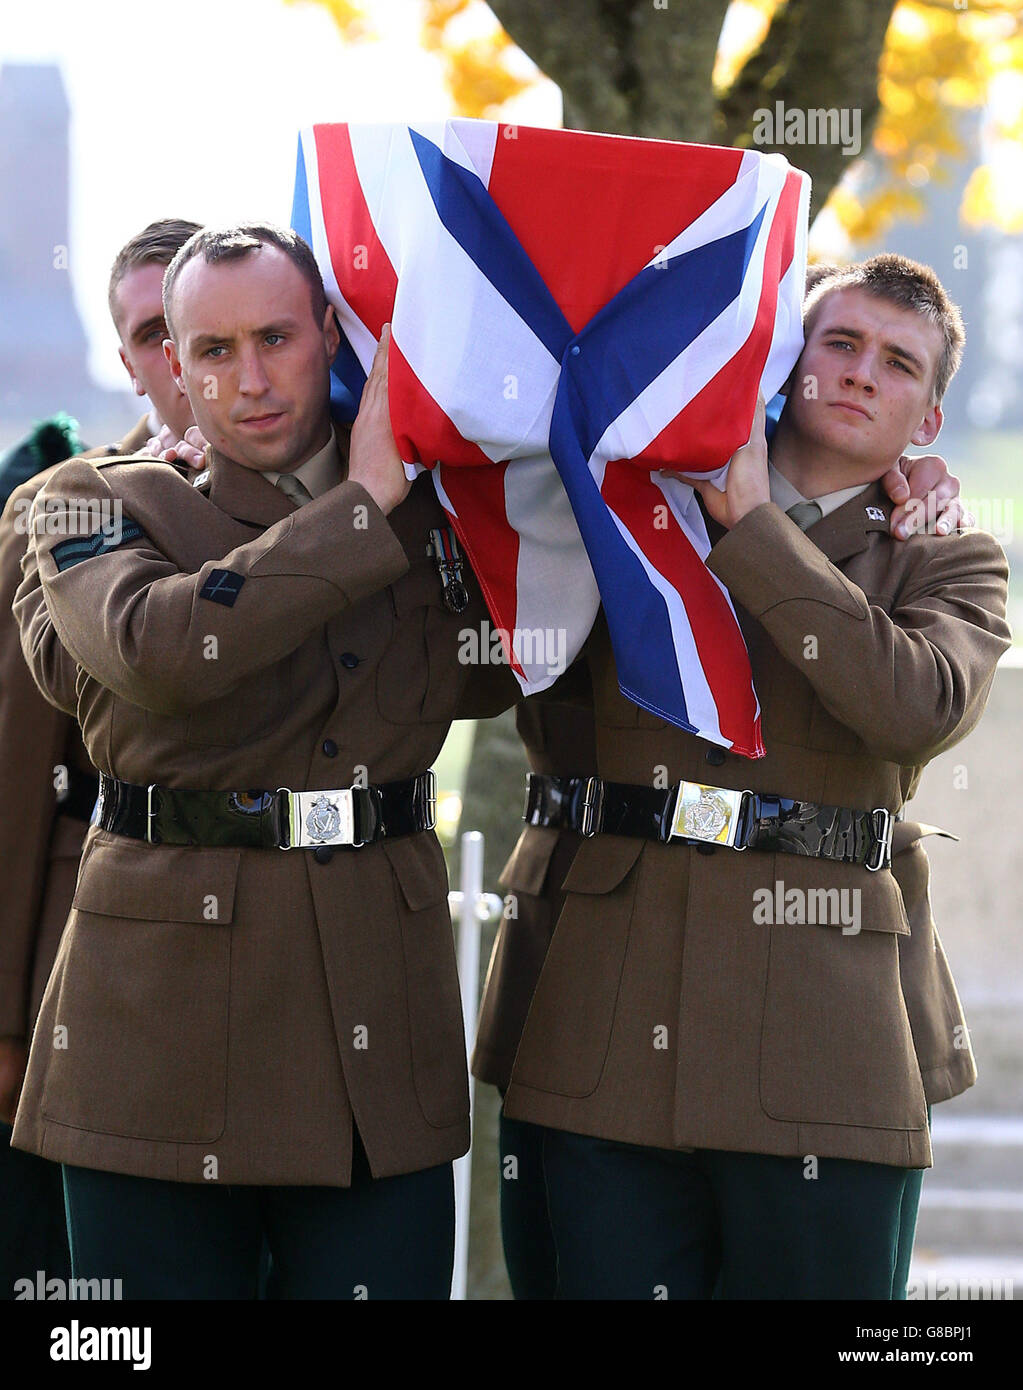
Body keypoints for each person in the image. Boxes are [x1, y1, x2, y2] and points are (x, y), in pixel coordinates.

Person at [9, 222, 507, 1300]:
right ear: (172, 368)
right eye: (212, 351)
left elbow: (526, 658)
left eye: (276, 337)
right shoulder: (90, 500)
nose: (249, 379)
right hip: (154, 1040)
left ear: (332, 332)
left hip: (374, 1026)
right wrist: (358, 508)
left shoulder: (444, 515)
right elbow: (169, 654)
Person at [500, 253, 1011, 1299]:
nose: (864, 371)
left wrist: (757, 532)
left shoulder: (951, 557)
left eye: (899, 362)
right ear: (787, 359)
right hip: (605, 991)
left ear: (928, 423)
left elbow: (914, 703)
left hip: (829, 1028)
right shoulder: (632, 501)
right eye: (842, 342)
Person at [0, 218, 200, 1299]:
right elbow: (14, 775)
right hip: (87, 957)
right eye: (154, 332)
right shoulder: (62, 502)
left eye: (201, 330)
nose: (184, 359)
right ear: (127, 358)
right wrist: (3, 1014)